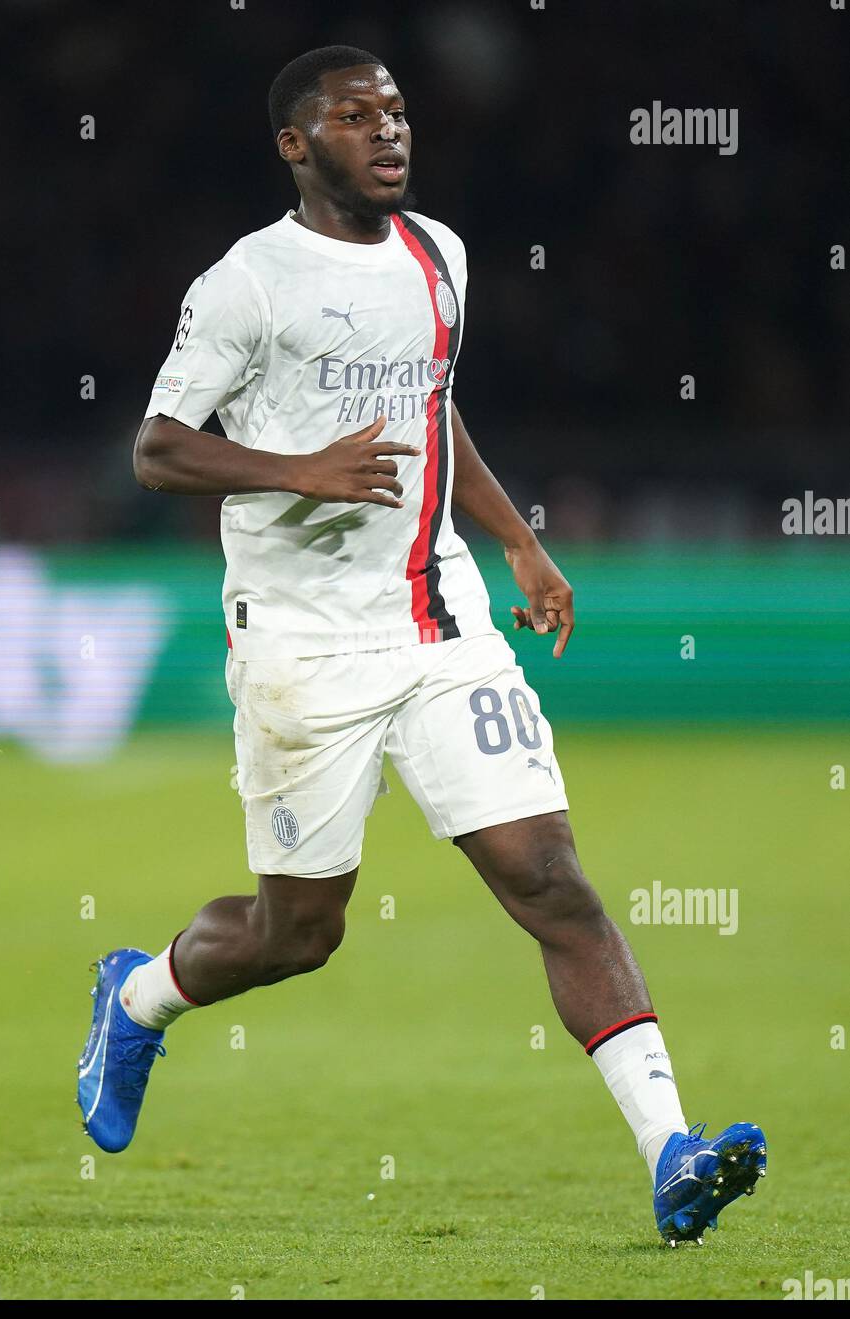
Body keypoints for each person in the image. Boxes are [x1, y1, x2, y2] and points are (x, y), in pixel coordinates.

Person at [77, 45, 766, 1246]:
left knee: (548, 875)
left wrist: (518, 540)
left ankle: (673, 1152)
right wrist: (302, 469)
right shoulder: (248, 282)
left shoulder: (438, 253)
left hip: (441, 623)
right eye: (356, 117)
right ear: (298, 145)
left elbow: (434, 407)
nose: (389, 132)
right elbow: (159, 447)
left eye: (396, 112)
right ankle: (137, 996)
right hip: (302, 645)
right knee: (301, 933)